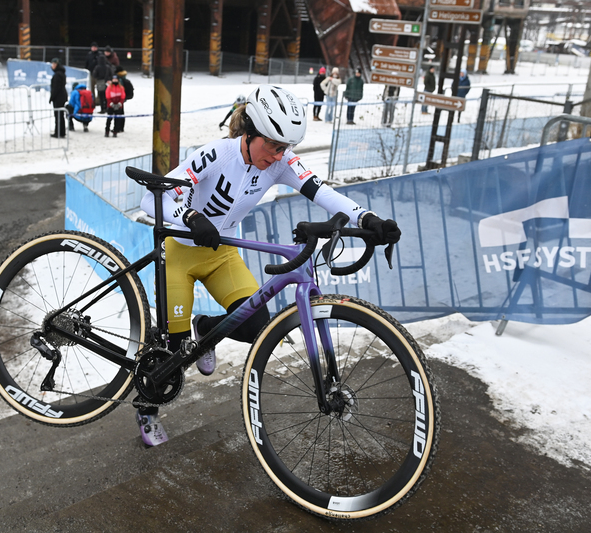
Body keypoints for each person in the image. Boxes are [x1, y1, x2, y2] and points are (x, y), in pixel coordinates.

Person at [135, 85, 401, 446]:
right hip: (181, 251)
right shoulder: (217, 153)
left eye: (284, 148)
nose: (278, 156)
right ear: (251, 133)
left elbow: (322, 192)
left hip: (223, 252)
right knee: (172, 356)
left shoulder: (280, 162)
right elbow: (154, 199)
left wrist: (367, 217)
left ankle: (207, 327)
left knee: (255, 326)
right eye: (273, 146)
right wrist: (191, 217)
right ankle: (147, 408)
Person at [49, 58, 67, 138]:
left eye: (53, 64)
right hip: (62, 96)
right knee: (60, 115)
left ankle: (58, 132)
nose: (52, 66)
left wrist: (52, 97)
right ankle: (61, 131)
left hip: (58, 97)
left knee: (58, 115)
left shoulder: (57, 75)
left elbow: (56, 88)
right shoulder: (61, 73)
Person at [114, 65, 134, 132]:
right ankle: (121, 127)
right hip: (123, 98)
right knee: (121, 113)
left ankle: (118, 128)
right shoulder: (124, 78)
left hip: (119, 98)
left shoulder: (119, 79)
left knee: (118, 113)